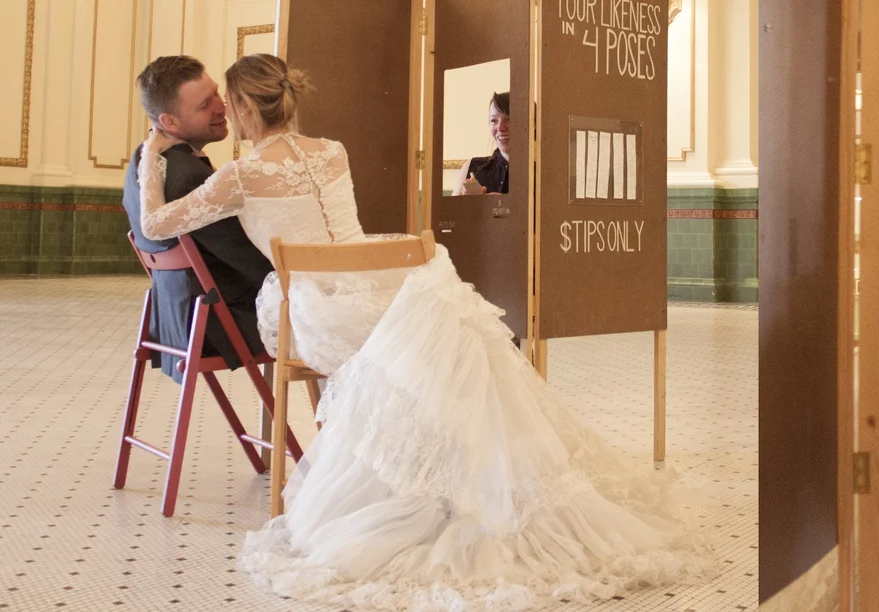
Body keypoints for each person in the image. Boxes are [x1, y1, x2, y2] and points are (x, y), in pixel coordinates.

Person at [133, 54, 708, 609]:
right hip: (384, 288)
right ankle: (478, 484)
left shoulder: (240, 175)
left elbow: (157, 223)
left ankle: (423, 493)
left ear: (244, 109)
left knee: (412, 348)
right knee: (448, 335)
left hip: (317, 309)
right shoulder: (333, 151)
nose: (224, 115)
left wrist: (152, 157)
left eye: (227, 105)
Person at [121, 56, 268, 380]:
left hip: (173, 323)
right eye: (205, 105)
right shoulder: (187, 176)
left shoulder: (143, 160)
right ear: (170, 122)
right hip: (221, 328)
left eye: (217, 94)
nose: (222, 107)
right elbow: (252, 263)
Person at [455, 91, 511, 195]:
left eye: (509, 119)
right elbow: (449, 211)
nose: (500, 127)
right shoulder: (470, 166)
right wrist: (468, 204)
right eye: (494, 120)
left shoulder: (544, 171)